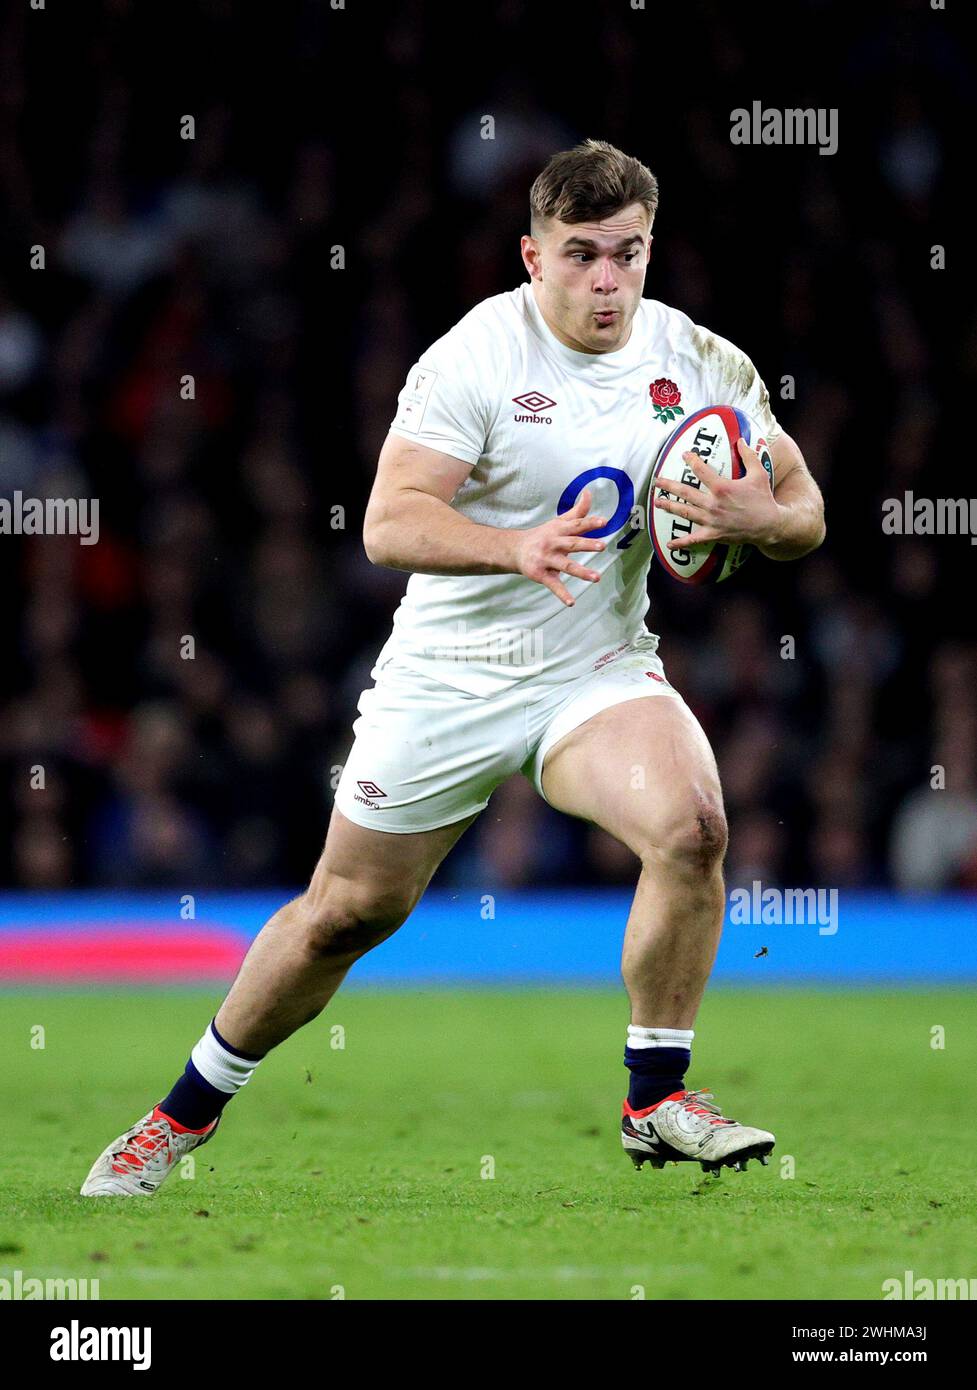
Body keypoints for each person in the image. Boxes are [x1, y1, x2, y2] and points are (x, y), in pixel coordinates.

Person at [82, 139, 825, 1196]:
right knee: (344, 912)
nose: (606, 279)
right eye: (580, 255)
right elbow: (388, 521)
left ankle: (654, 1098)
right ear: (531, 256)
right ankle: (174, 1119)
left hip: (594, 671)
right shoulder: (475, 357)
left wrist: (767, 518)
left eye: (627, 253)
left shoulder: (700, 360)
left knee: (692, 828)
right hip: (449, 677)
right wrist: (511, 545)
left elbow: (802, 508)